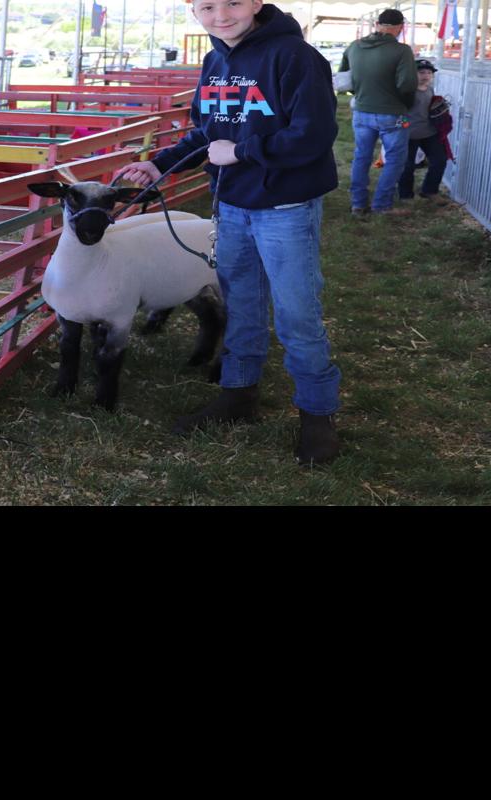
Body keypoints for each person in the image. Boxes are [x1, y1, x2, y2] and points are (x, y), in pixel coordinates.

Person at [114, 0, 343, 465]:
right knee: (241, 301)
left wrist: (241, 153)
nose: (221, 15)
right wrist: (156, 163)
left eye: (234, 2)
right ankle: (239, 392)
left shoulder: (294, 56)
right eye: (207, 6)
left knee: (297, 310)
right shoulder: (215, 61)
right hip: (233, 205)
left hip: (285, 205)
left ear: (256, 2)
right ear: (193, 9)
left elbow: (314, 135)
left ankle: (317, 414)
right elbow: (207, 132)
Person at [336, 9, 417, 216]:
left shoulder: (354, 46)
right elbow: (407, 85)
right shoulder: (402, 51)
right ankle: (382, 205)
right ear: (400, 27)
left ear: (377, 24)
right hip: (394, 113)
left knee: (361, 157)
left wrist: (361, 93)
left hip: (362, 110)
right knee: (395, 159)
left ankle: (358, 203)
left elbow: (344, 79)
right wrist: (406, 105)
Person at [396, 58, 452, 202]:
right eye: (421, 72)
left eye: (429, 72)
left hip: (429, 132)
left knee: (440, 160)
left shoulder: (430, 89)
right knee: (407, 165)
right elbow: (398, 112)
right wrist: (403, 128)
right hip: (409, 134)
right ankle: (405, 195)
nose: (426, 75)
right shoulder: (406, 91)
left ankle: (430, 190)